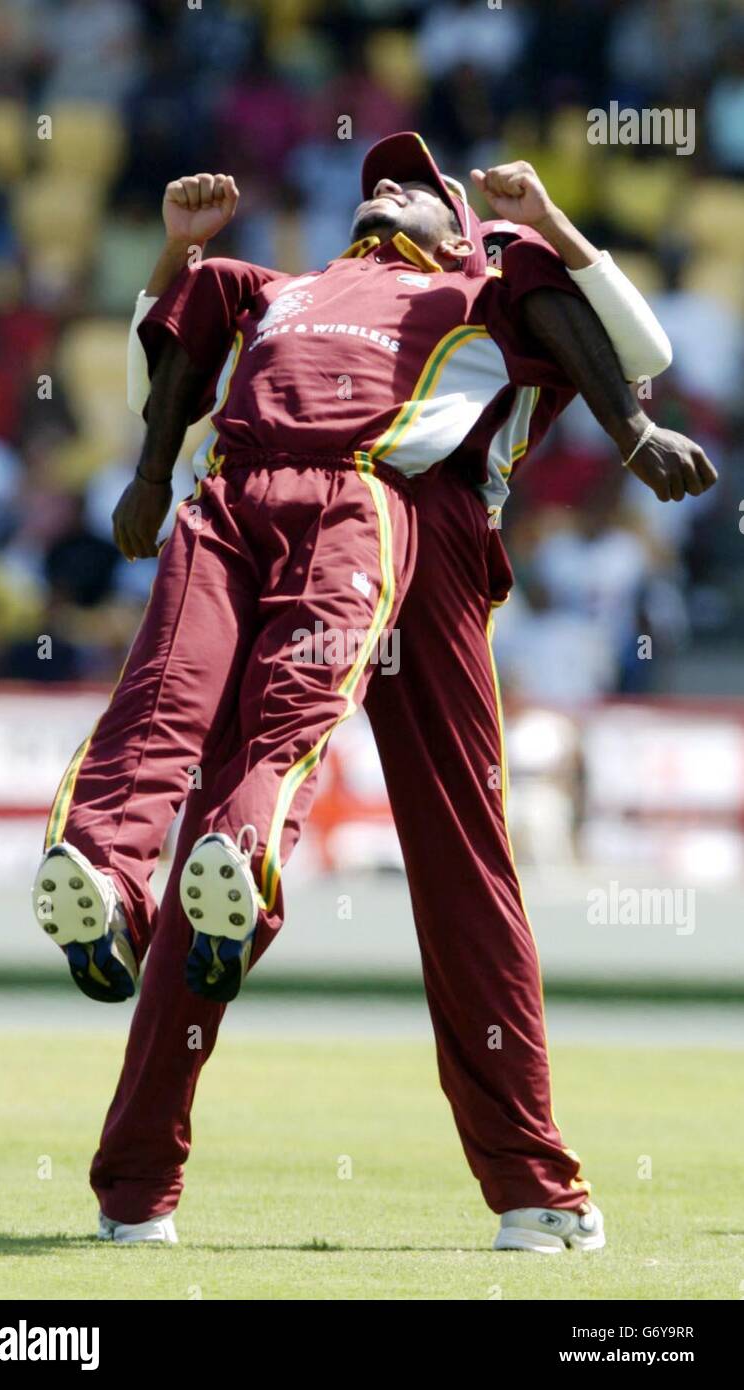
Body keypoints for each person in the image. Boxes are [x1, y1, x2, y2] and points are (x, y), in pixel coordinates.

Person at [35, 133, 716, 1251]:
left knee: (458, 865)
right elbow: (153, 384)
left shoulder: (493, 280)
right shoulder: (286, 286)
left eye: (414, 183)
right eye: (374, 181)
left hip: (420, 529)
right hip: (303, 502)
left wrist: (551, 232)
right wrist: (169, 268)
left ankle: (531, 1185)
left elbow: (638, 350)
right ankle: (136, 1187)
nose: (385, 187)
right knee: (230, 837)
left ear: (462, 230)